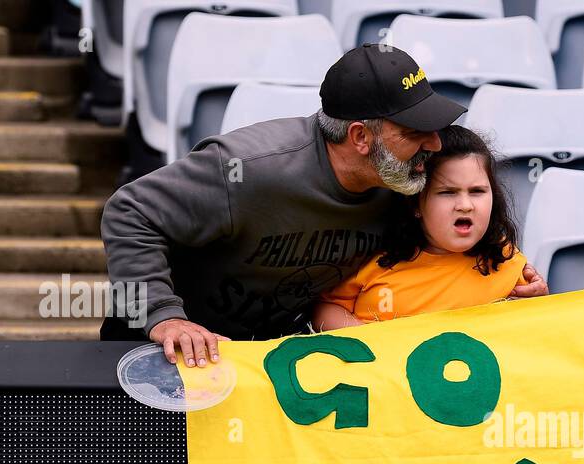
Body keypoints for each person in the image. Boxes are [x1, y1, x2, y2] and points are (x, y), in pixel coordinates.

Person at [99, 43, 548, 366]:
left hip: (266, 362)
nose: (434, 143)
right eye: (414, 132)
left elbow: (441, 253)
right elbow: (130, 211)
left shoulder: (403, 180)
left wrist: (513, 288)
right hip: (162, 355)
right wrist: (162, 317)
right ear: (360, 137)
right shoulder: (252, 167)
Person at [314, 125, 526, 330]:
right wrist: (374, 342)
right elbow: (327, 308)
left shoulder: (505, 258)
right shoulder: (373, 256)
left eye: (477, 191)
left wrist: (536, 299)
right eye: (447, 192)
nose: (465, 205)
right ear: (415, 204)